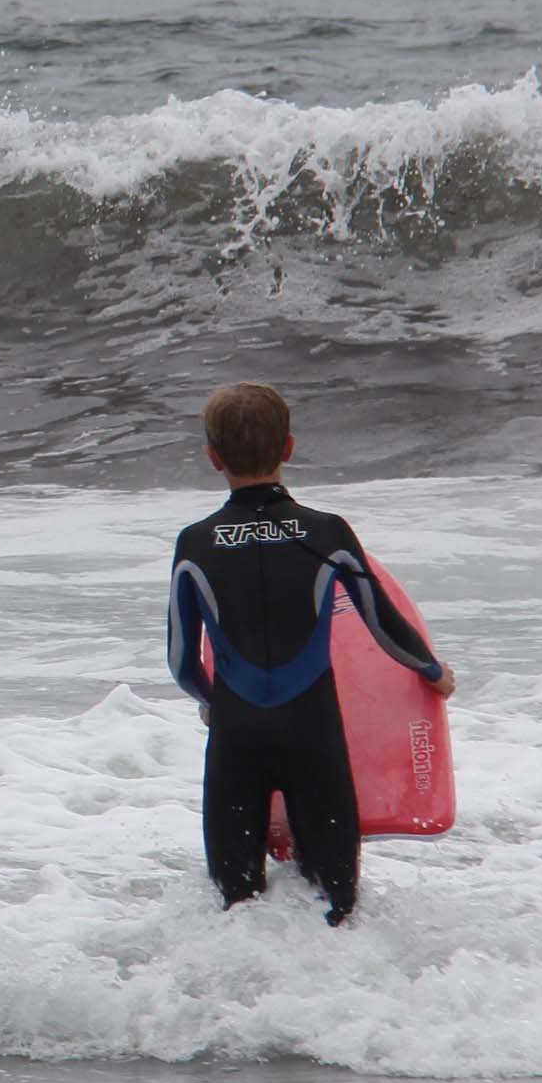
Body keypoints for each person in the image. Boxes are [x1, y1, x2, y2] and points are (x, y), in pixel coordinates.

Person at [165, 382, 451, 923]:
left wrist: (209, 700)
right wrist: (432, 672)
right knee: (335, 910)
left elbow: (181, 660)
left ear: (212, 458)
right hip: (314, 738)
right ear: (289, 449)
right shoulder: (328, 532)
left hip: (236, 742)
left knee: (235, 911)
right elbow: (382, 622)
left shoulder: (195, 543)